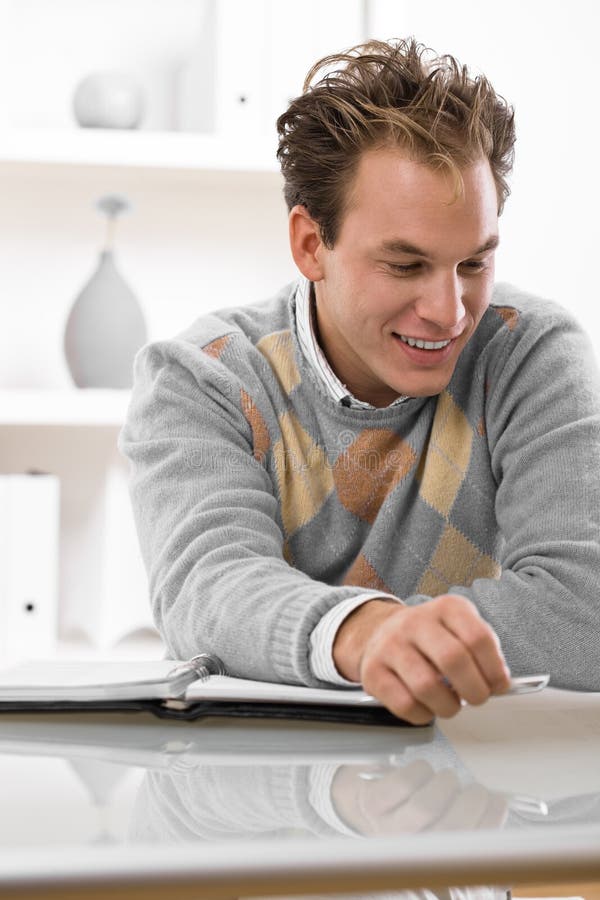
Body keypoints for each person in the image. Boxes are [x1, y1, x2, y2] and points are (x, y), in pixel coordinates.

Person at [119, 38, 600, 725]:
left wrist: (350, 637)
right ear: (311, 244)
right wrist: (365, 635)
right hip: (256, 796)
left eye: (473, 262)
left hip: (473, 792)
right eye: (406, 266)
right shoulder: (203, 377)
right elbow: (208, 591)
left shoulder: (529, 354)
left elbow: (585, 611)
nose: (450, 311)